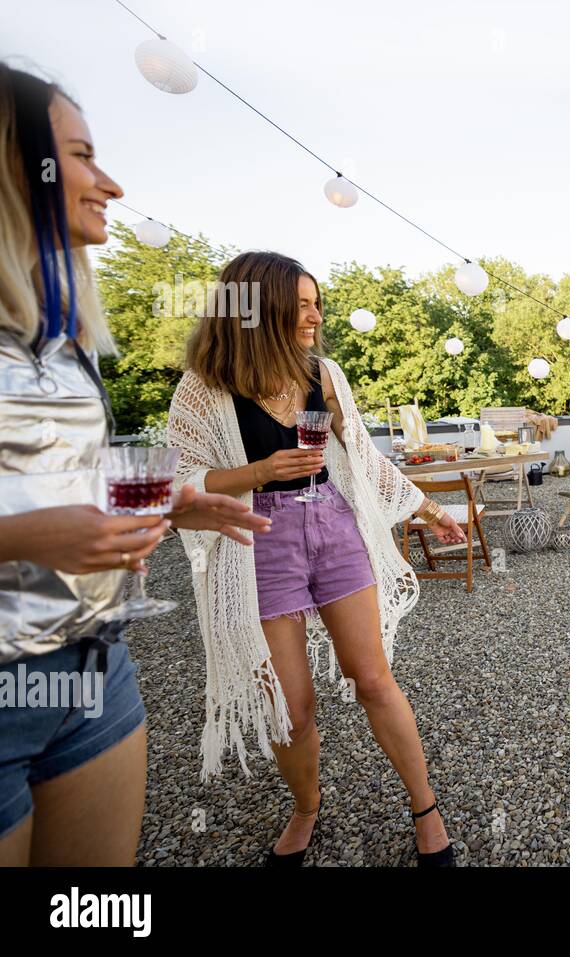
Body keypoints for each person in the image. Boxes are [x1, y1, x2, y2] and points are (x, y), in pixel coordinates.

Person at [0, 63, 269, 866]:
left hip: (91, 664)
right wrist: (20, 540)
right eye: (82, 154)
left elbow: (45, 479)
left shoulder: (58, 336)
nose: (109, 184)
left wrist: (173, 503)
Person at [168, 250, 467, 866]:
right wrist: (258, 471)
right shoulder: (205, 387)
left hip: (331, 524)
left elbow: (360, 456)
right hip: (258, 540)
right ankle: (306, 805)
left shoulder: (322, 375)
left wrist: (431, 512)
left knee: (374, 679)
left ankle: (425, 807)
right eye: (301, 304)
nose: (315, 315)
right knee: (292, 706)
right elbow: (177, 482)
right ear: (259, 308)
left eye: (316, 303)